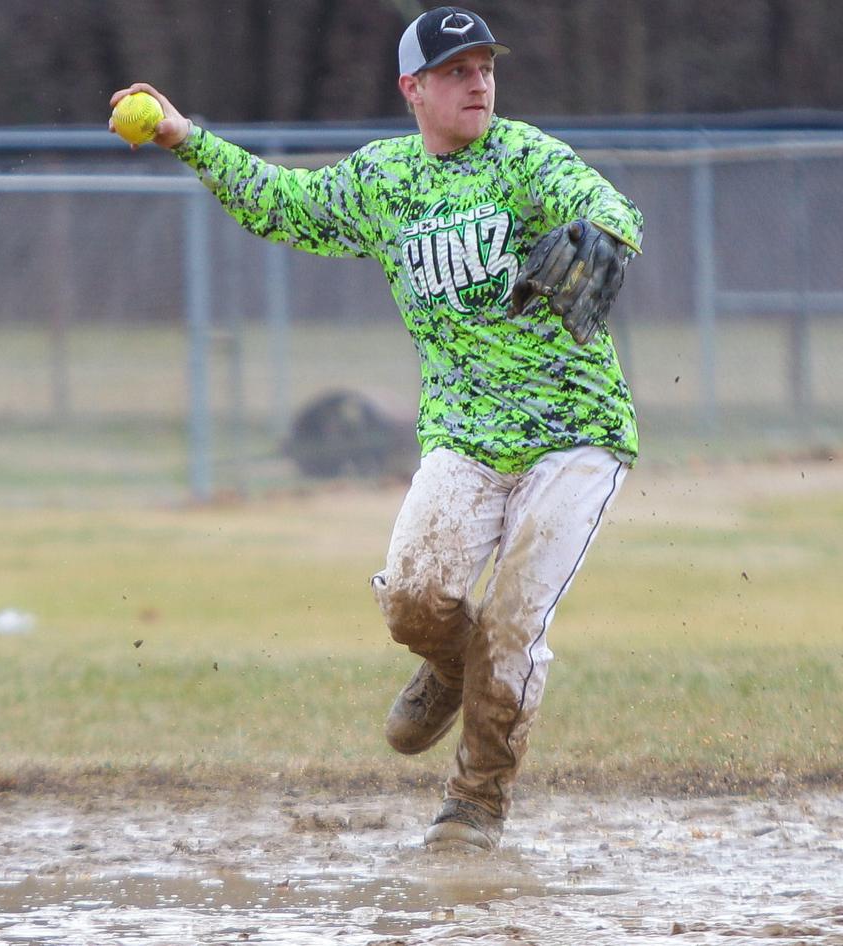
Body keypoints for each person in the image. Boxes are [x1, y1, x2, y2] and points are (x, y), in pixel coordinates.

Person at [110, 5, 643, 853]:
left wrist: (603, 229)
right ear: (413, 88)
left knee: (512, 624)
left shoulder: (523, 156)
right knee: (411, 600)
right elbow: (280, 203)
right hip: (464, 437)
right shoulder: (382, 182)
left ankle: (474, 805)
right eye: (457, 71)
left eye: (485, 68)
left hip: (572, 435)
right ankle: (448, 665)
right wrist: (183, 136)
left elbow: (600, 199)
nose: (479, 83)